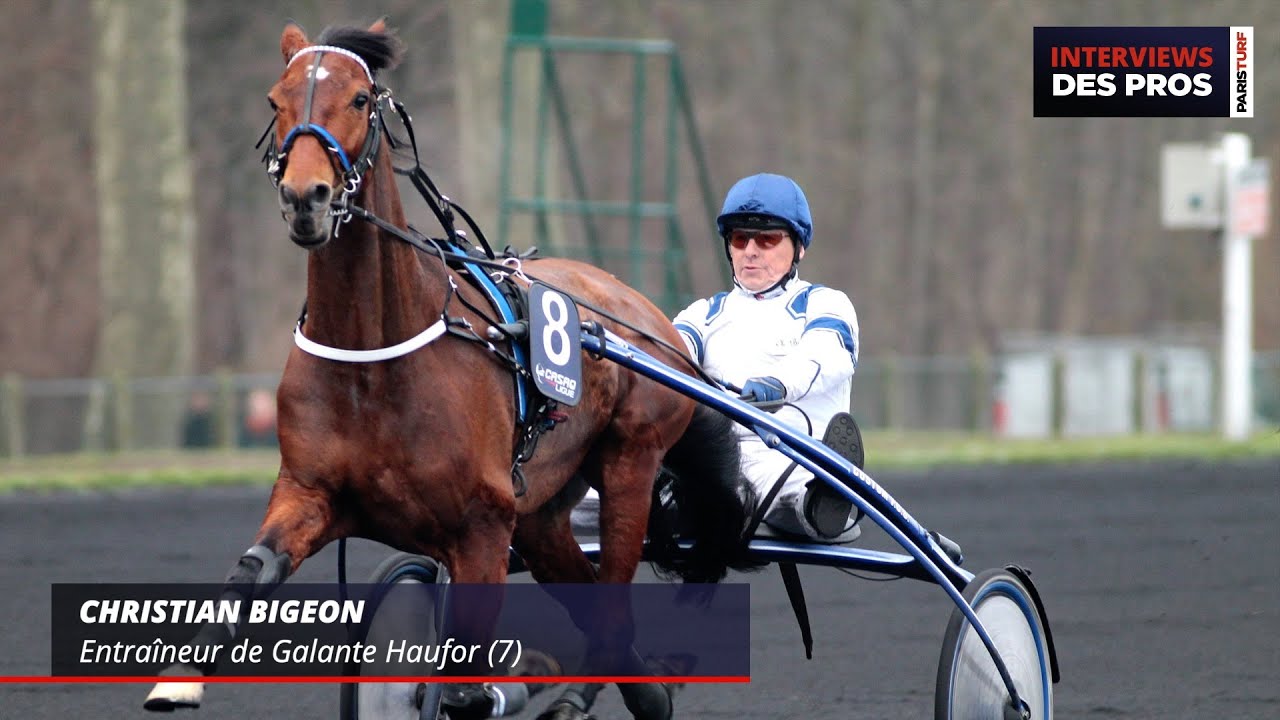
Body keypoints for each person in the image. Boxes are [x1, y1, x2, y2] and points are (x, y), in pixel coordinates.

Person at [573, 172, 861, 543]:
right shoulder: (704, 314)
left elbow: (825, 355)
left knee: (783, 488)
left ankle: (825, 497)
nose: (750, 250)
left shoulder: (825, 303)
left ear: (799, 247)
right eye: (740, 239)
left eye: (767, 239)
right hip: (712, 463)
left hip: (789, 456)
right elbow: (668, 354)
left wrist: (778, 384)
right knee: (599, 487)